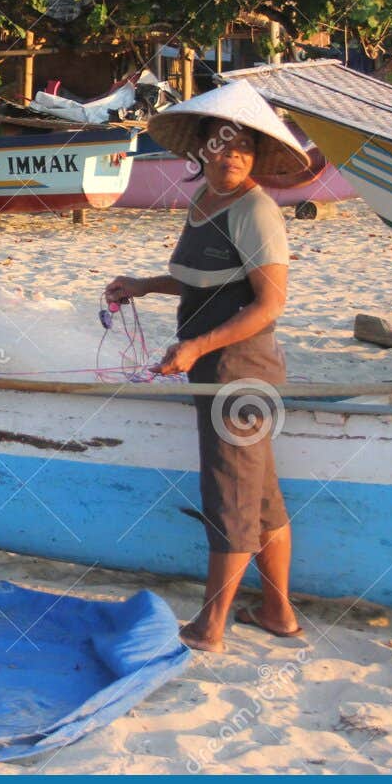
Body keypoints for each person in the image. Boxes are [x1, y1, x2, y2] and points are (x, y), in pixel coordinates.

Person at [105, 79, 311, 654]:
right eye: (220, 146)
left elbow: (269, 303)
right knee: (261, 500)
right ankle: (277, 613)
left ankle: (209, 627)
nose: (229, 157)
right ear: (201, 148)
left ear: (257, 155)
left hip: (240, 376)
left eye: (243, 148)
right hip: (212, 372)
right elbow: (198, 279)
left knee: (230, 499)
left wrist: (196, 347)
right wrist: (144, 285)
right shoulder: (203, 201)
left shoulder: (257, 210)